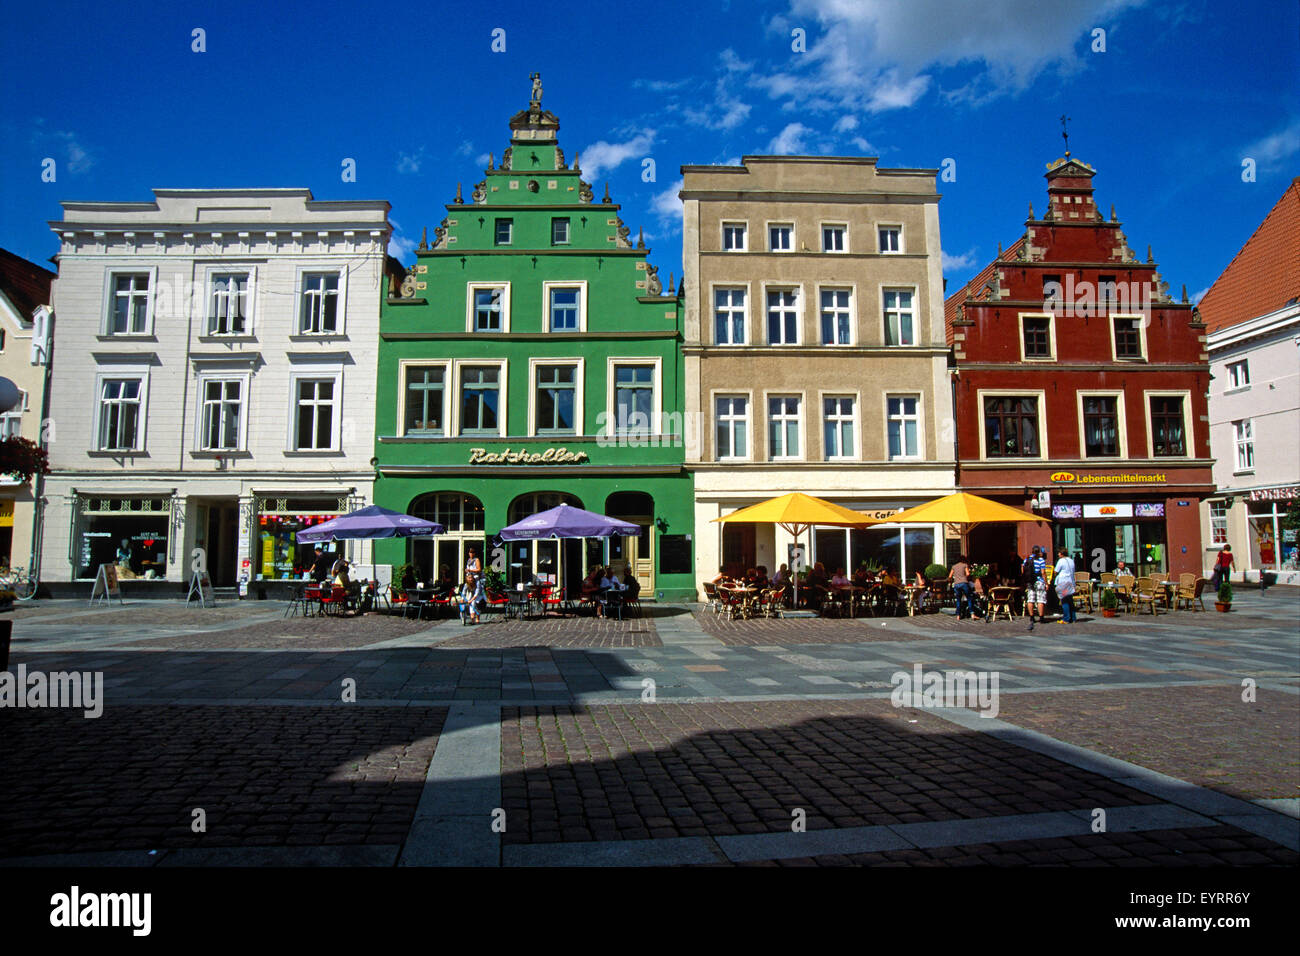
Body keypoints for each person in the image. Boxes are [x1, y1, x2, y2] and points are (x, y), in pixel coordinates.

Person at [1022, 545, 1048, 630]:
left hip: (1030, 581)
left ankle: (1032, 617)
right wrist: (1046, 583)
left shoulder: (1027, 559)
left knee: (1030, 599)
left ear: (1032, 551)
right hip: (1039, 581)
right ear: (1039, 551)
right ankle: (1041, 617)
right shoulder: (1041, 560)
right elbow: (1043, 572)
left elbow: (1022, 569)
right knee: (1040, 599)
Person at [948, 555, 981, 620]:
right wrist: (964, 577)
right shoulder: (965, 565)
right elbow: (968, 574)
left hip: (956, 584)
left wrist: (955, 579)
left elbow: (950, 576)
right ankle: (972, 614)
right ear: (963, 560)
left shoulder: (954, 566)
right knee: (969, 598)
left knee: (958, 600)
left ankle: (958, 615)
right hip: (964, 583)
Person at [1053, 547, 1077, 624]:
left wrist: (1054, 575)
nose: (1058, 554)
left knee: (1064, 600)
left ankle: (1066, 618)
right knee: (1070, 600)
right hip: (1070, 582)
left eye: (1059, 553)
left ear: (1062, 554)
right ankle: (1073, 618)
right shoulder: (1071, 560)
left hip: (1063, 583)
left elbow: (1056, 571)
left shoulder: (1061, 561)